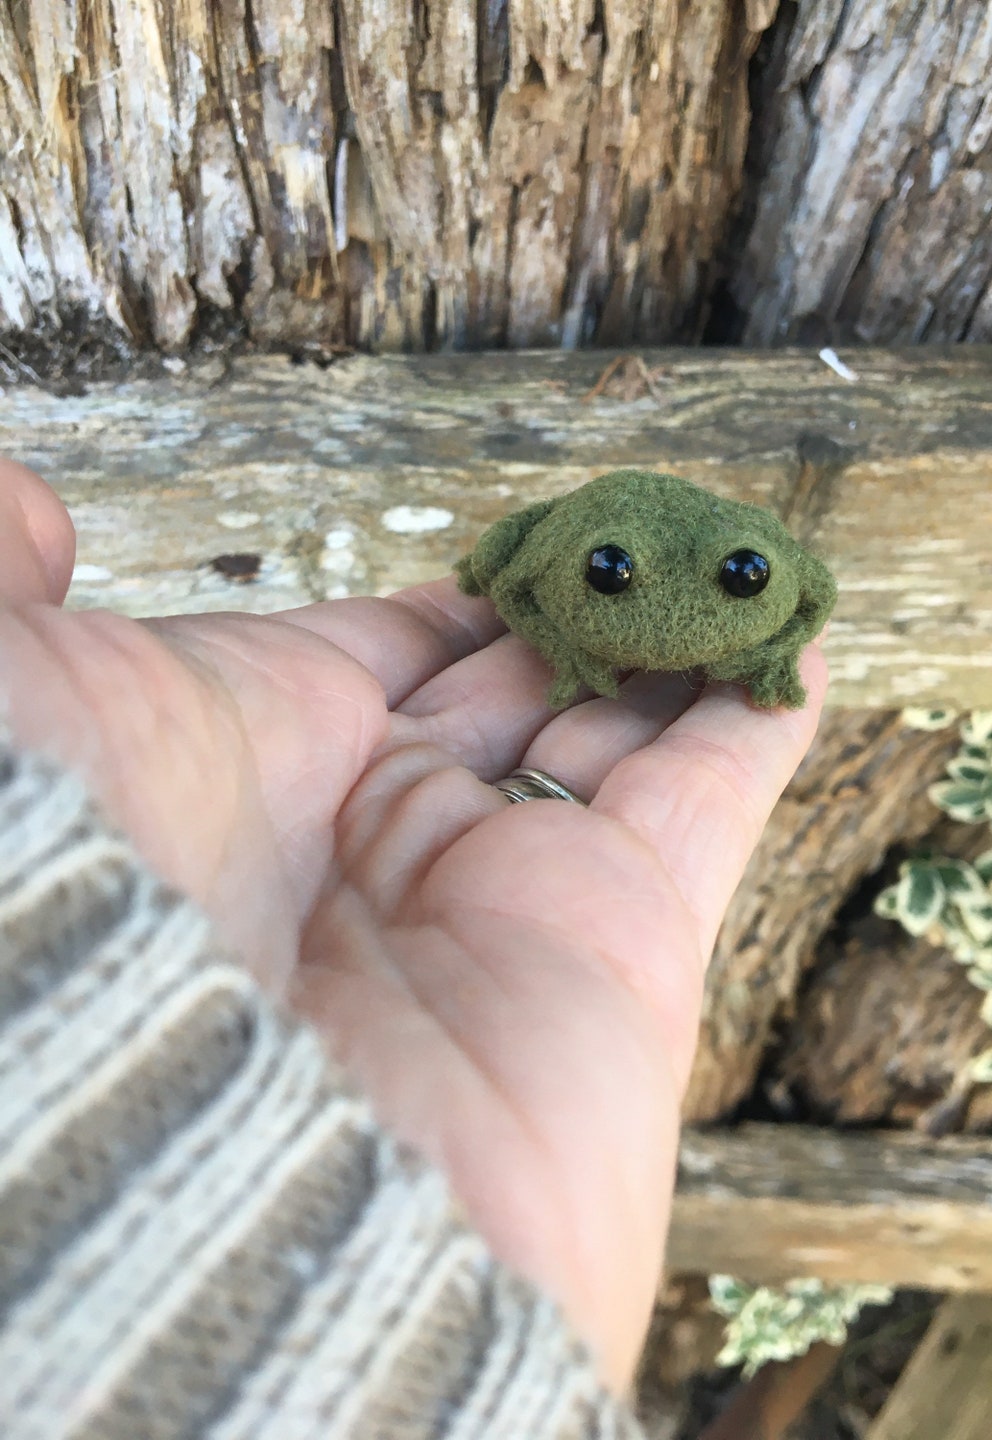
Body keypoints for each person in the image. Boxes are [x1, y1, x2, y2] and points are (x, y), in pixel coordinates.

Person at [0, 458, 826, 1437]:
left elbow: (812, 593)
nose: (682, 606)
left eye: (742, 579)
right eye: (611, 569)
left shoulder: (791, 585)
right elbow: (508, 563)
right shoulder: (545, 556)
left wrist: (769, 656)